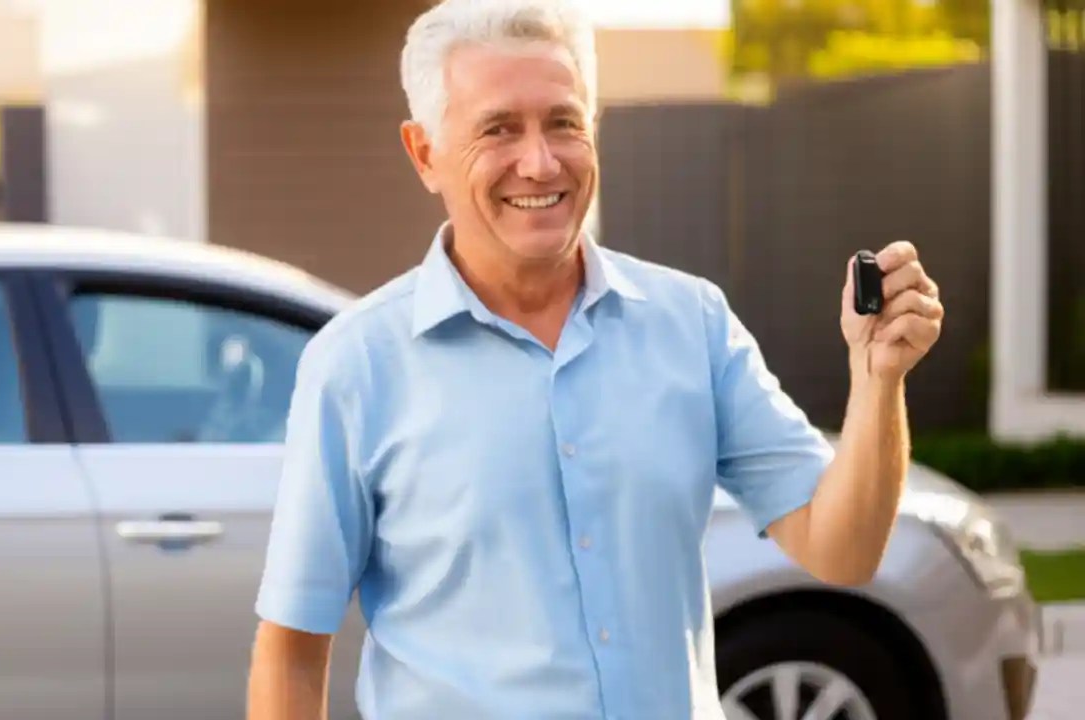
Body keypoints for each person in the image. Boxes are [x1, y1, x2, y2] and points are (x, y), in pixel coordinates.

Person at [246, 0, 945, 717]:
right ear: (425, 153)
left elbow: (843, 551)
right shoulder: (357, 364)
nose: (540, 161)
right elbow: (293, 647)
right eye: (498, 129)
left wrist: (877, 379)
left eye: (563, 122)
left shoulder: (692, 323)